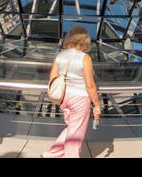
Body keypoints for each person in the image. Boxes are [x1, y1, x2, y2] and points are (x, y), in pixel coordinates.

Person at [44, 27, 102, 158]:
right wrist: (97, 105)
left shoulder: (60, 55)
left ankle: (51, 153)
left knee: (72, 128)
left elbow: (53, 77)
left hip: (64, 98)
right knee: (76, 134)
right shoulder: (85, 58)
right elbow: (90, 85)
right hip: (80, 99)